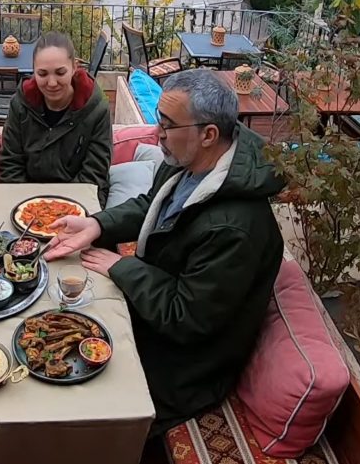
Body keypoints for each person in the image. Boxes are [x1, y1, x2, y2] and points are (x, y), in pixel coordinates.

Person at [43, 68, 285, 436]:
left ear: (208, 134)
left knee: (66, 398)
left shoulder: (234, 229)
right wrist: (97, 224)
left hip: (183, 368)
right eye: (159, 120)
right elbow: (152, 204)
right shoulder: (192, 163)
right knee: (51, 313)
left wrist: (121, 267)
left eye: (168, 125)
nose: (158, 133)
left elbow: (184, 317)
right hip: (151, 315)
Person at [0, 32, 113, 205]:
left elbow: (94, 173)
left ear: (74, 67)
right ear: (34, 71)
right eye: (43, 74)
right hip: (27, 199)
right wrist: (30, 205)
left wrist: (58, 209)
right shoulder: (20, 105)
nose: (52, 83)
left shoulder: (97, 109)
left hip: (80, 200)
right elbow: (10, 163)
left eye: (60, 73)